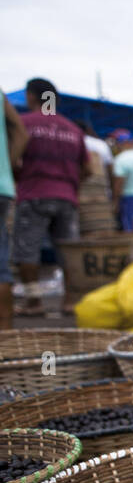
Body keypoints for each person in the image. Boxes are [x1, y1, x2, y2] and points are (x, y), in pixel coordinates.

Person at [13, 78, 90, 316]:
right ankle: (70, 301)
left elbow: (13, 160)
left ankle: (34, 302)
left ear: (31, 97)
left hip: (34, 193)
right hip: (66, 196)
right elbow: (87, 169)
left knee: (28, 250)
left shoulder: (23, 124)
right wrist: (70, 182)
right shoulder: (73, 129)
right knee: (67, 250)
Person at [0, 89, 29, 326]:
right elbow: (20, 133)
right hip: (3, 187)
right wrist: (6, 168)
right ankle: (6, 340)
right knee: (1, 265)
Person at [110, 131, 133, 232]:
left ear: (122, 143)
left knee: (130, 227)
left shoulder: (120, 159)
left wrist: (115, 202)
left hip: (128, 198)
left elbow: (119, 182)